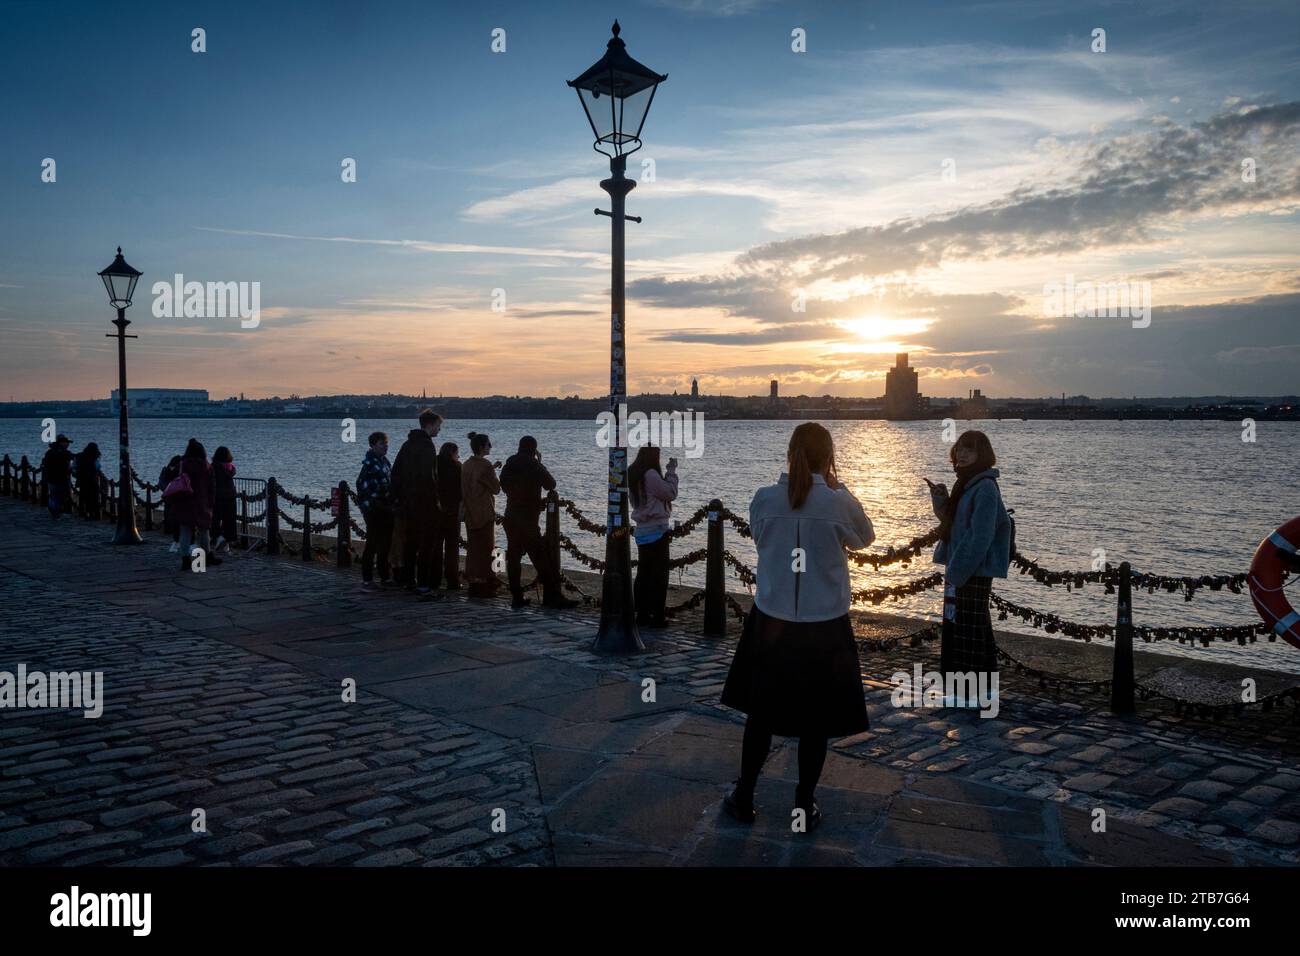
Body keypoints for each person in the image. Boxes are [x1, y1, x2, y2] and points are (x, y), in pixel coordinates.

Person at [719, 422, 875, 830]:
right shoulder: (838, 503)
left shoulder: (765, 499)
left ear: (790, 454)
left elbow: (759, 538)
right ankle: (804, 804)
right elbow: (865, 539)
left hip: (772, 622)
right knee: (816, 722)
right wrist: (840, 490)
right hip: (824, 625)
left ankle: (745, 795)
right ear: (829, 456)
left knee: (761, 715)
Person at [926, 429, 1012, 707]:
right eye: (960, 449)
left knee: (970, 630)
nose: (961, 454)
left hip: (972, 570)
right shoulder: (965, 484)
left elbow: (980, 535)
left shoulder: (984, 487)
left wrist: (957, 571)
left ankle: (974, 693)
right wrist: (940, 500)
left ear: (981, 454)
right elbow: (954, 524)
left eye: (969, 450)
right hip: (960, 568)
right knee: (960, 629)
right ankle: (965, 691)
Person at [499, 436, 577, 610]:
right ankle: (553, 596)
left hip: (511, 516)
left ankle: (517, 596)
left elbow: (503, 485)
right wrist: (539, 463)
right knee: (541, 558)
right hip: (528, 518)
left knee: (513, 557)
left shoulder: (509, 465)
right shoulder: (533, 465)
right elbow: (551, 484)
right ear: (534, 450)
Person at [390, 409, 443, 599]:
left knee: (411, 544)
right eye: (438, 425)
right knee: (427, 546)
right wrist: (435, 502)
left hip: (407, 505)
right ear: (429, 425)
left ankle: (408, 580)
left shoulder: (407, 445)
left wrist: (398, 498)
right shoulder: (427, 446)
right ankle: (423, 584)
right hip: (425, 504)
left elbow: (395, 474)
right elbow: (428, 477)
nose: (439, 429)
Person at [629, 445, 679, 627]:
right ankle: (657, 614)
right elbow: (670, 493)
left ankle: (642, 612)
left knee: (644, 573)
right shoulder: (650, 474)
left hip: (642, 530)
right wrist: (671, 471)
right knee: (659, 575)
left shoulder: (634, 474)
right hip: (657, 530)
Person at [461, 432, 502, 599]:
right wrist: (493, 471)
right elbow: (496, 488)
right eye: (488, 444)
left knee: (473, 549)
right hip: (484, 511)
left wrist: (491, 468)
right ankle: (488, 583)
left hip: (470, 511)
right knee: (488, 548)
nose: (491, 447)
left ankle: (473, 582)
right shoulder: (485, 465)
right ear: (482, 447)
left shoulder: (466, 464)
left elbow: (474, 481)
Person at [356, 431, 395, 591]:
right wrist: (378, 501)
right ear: (373, 445)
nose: (385, 447)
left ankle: (384, 575)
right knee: (372, 542)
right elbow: (365, 487)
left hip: (386, 508)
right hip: (374, 509)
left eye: (386, 443)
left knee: (385, 543)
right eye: (381, 444)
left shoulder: (384, 461)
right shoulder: (370, 464)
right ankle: (367, 579)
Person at [174, 438, 221, 571]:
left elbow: (175, 481)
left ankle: (185, 559)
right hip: (201, 502)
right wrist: (211, 503)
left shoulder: (182, 465)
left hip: (184, 501)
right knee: (204, 531)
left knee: (185, 531)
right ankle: (206, 556)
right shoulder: (206, 467)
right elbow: (212, 486)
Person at [435, 441, 463, 589]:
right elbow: (461, 491)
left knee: (436, 546)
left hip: (436, 510)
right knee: (452, 547)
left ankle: (434, 578)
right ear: (453, 453)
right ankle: (452, 580)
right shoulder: (457, 467)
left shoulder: (433, 463)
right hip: (452, 511)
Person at [40, 434, 74, 520]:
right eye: (66, 443)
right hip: (61, 477)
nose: (67, 444)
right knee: (60, 495)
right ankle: (56, 511)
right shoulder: (64, 453)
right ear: (61, 443)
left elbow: (45, 464)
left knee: (55, 495)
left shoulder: (49, 452)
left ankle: (54, 510)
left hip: (51, 477)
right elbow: (73, 457)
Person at [211, 446, 238, 552]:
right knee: (230, 519)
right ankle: (226, 541)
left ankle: (217, 537)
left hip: (217, 495)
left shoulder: (214, 467)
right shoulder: (231, 468)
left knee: (216, 518)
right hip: (230, 495)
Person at [74, 442, 104, 521]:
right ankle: (92, 514)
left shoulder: (79, 456)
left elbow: (74, 466)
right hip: (92, 479)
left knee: (83, 496)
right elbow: (97, 466)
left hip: (82, 479)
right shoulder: (95, 456)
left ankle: (83, 512)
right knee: (93, 497)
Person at [159, 455, 183, 552]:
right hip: (178, 497)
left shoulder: (167, 470)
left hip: (169, 496)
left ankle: (173, 536)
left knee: (171, 515)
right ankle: (180, 540)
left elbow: (162, 483)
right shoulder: (179, 471)